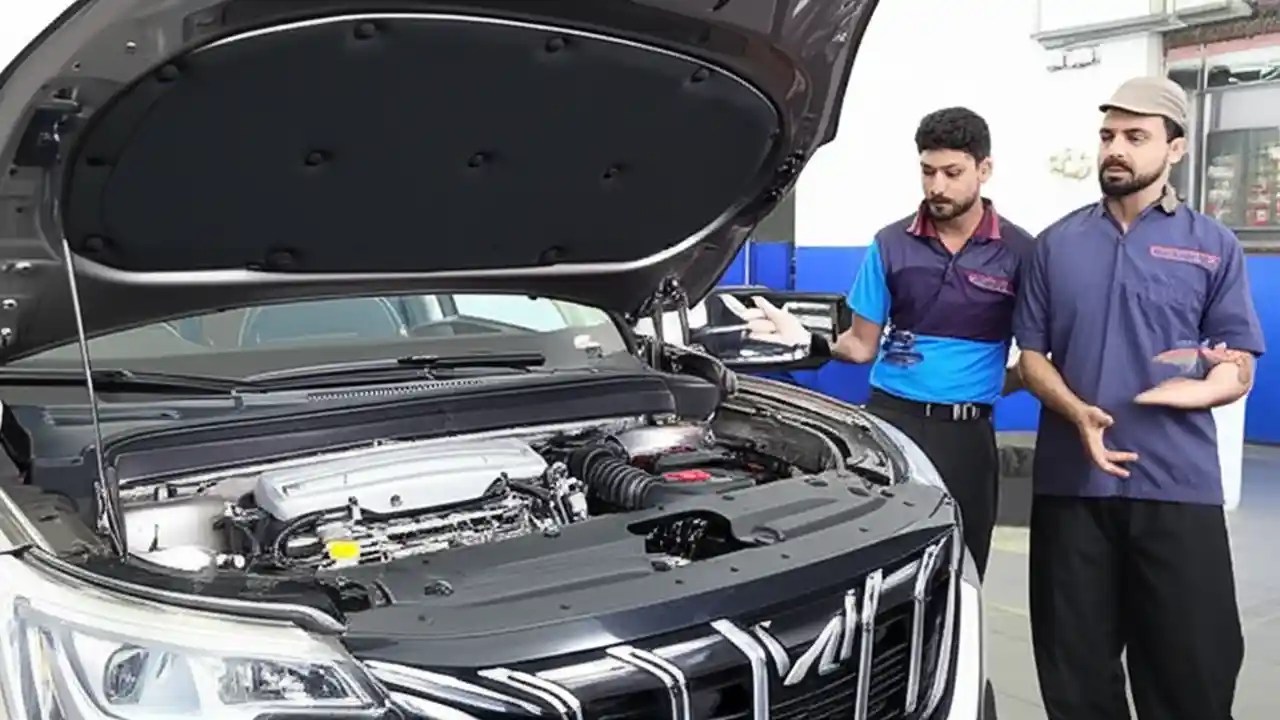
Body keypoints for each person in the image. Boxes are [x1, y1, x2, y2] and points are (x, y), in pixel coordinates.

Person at [1013, 75, 1264, 720]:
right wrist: (1074, 411)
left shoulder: (1214, 247)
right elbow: (1033, 359)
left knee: (1194, 671)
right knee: (1075, 675)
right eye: (1107, 135)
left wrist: (1200, 390)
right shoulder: (1055, 245)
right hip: (1072, 489)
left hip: (1176, 485)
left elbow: (1239, 365)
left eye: (1135, 136)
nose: (1115, 149)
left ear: (1175, 149)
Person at [732, 106, 1032, 578]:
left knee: (965, 567)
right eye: (927, 171)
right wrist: (807, 340)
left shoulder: (1020, 253)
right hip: (893, 423)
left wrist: (986, 385)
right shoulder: (891, 244)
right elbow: (860, 347)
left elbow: (1035, 360)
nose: (937, 186)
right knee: (887, 565)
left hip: (968, 437)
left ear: (984, 170)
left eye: (952, 173)